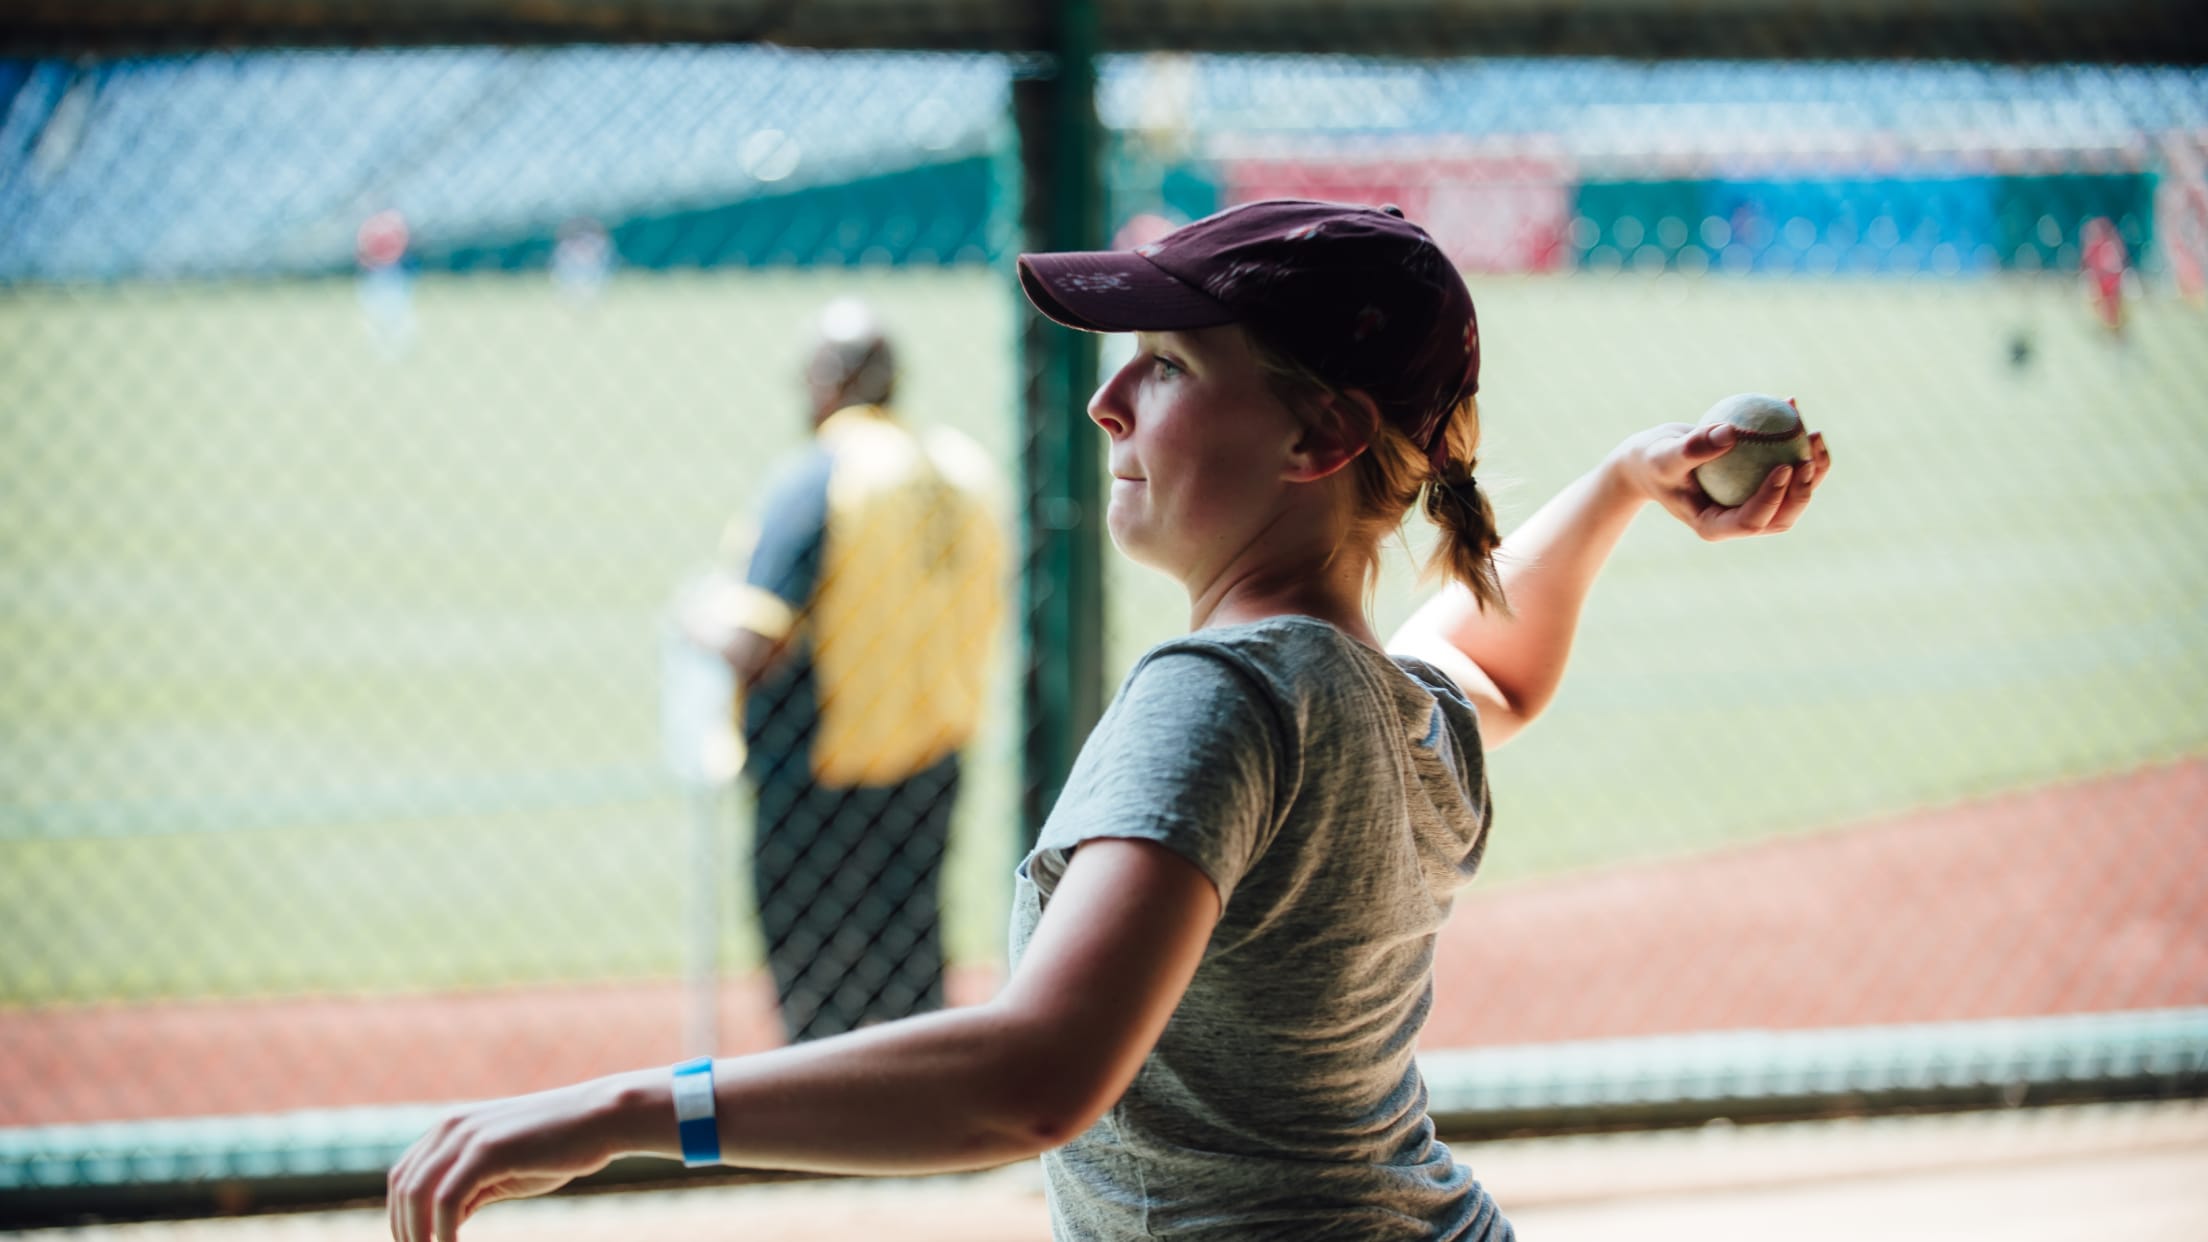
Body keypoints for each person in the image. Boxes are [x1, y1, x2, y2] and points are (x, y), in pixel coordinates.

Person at [388, 200, 1830, 1242]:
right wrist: (1624, 485)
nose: (1106, 401)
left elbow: (1032, 1078)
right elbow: (1498, 664)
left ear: (1320, 438)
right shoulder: (1386, 701)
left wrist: (623, 1110)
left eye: (1170, 368)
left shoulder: (1221, 697)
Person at [688, 296, 1007, 1042]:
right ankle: (923, 1131)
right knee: (912, 958)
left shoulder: (821, 475)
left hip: (822, 766)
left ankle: (831, 1133)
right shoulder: (962, 468)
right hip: (932, 755)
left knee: (815, 982)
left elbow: (755, 639)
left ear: (828, 379)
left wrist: (696, 616)